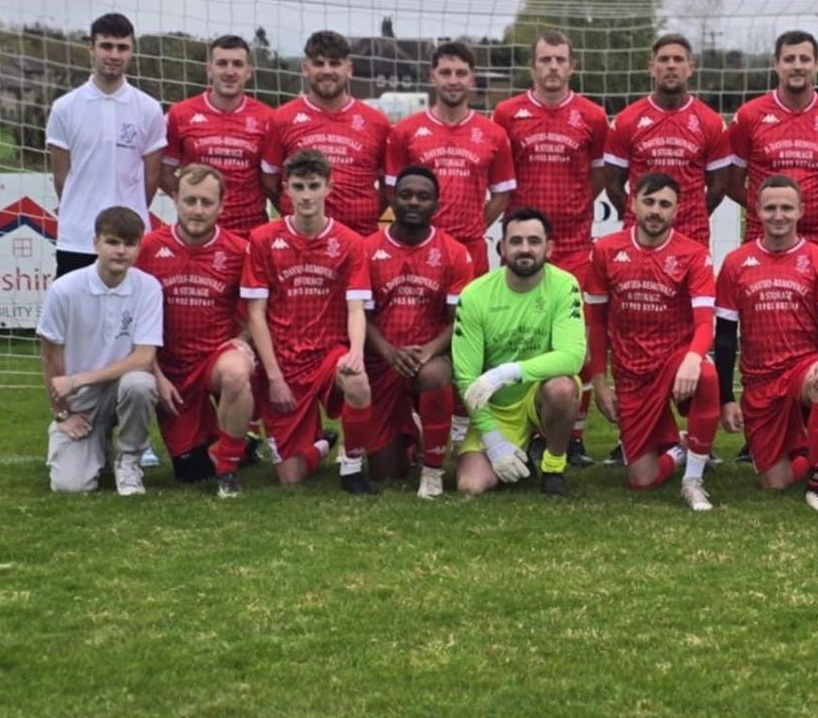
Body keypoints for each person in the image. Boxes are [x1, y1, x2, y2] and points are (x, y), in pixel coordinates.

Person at [493, 31, 609, 465]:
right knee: (521, 337)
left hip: (575, 244)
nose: (553, 67)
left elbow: (596, 176)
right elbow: (503, 177)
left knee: (572, 343)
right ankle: (524, 426)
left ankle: (571, 435)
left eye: (561, 59)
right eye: (545, 60)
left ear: (572, 65)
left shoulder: (593, 116)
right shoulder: (507, 113)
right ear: (533, 66)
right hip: (521, 246)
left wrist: (573, 212)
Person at [241, 148, 377, 494]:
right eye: (298, 186)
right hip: (285, 361)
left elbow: (355, 307)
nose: (306, 195)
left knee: (358, 381)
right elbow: (255, 313)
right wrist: (273, 377)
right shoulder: (263, 239)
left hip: (328, 353)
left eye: (314, 185)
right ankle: (322, 444)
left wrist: (356, 352)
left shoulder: (349, 242)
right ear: (285, 188)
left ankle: (352, 467)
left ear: (329, 187)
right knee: (291, 477)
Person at [585, 173, 721, 511]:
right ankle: (680, 448)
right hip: (632, 373)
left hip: (675, 361)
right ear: (632, 203)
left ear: (677, 211)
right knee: (641, 480)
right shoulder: (605, 250)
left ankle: (693, 480)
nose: (655, 211)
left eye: (664, 204)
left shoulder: (693, 254)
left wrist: (693, 357)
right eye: (649, 202)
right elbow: (597, 323)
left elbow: (705, 321)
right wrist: (600, 382)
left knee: (706, 375)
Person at [715, 176, 818, 512]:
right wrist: (726, 399)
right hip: (760, 381)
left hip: (803, 367)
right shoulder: (735, 263)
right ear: (756, 211)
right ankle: (806, 451)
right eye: (771, 207)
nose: (779, 215)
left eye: (787, 208)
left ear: (800, 211)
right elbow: (726, 336)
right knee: (775, 483)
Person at [140, 164, 258, 497]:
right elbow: (131, 320)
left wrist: (243, 340)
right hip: (171, 369)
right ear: (174, 199)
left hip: (215, 359)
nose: (197, 210)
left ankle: (229, 469)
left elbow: (257, 309)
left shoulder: (239, 250)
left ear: (222, 206)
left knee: (236, 372)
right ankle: (242, 443)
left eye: (207, 202)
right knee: (190, 471)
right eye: (190, 200)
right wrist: (156, 374)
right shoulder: (149, 249)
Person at [451, 208, 586, 498]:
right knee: (470, 485)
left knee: (562, 388)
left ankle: (553, 467)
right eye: (516, 241)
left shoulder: (565, 285)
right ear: (502, 248)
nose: (525, 249)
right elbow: (466, 378)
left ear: (549, 248)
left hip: (540, 392)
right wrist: (493, 440)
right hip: (498, 406)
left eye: (534, 241)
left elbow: (572, 357)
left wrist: (507, 373)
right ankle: (514, 449)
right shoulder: (475, 295)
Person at [364, 166, 473, 498]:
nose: (413, 202)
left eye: (423, 197)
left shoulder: (454, 252)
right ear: (392, 200)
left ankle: (432, 469)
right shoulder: (366, 249)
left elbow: (459, 320)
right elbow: (359, 316)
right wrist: (388, 352)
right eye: (406, 195)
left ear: (436, 204)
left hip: (428, 357)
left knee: (437, 374)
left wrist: (428, 350)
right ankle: (414, 433)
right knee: (387, 474)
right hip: (382, 361)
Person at [37, 206, 162, 495]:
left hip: (119, 387)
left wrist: (79, 379)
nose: (121, 251)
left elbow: (144, 358)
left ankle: (129, 461)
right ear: (95, 243)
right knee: (69, 486)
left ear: (139, 247)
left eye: (129, 244)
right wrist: (62, 414)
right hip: (81, 400)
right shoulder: (64, 289)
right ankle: (99, 447)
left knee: (140, 384)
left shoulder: (149, 288)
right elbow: (50, 357)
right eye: (112, 242)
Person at [46, 12, 166, 277]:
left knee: (128, 316)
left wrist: (129, 217)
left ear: (132, 51)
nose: (114, 54)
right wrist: (80, 208)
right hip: (78, 237)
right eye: (106, 46)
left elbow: (152, 177)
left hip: (130, 239)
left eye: (122, 47)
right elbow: (61, 179)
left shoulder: (149, 109)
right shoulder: (65, 108)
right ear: (91, 48)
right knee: (77, 317)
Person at [383, 41, 515, 275]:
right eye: (445, 73)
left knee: (470, 312)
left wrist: (475, 225)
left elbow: (502, 195)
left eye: (461, 73)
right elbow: (392, 190)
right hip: (419, 247)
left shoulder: (493, 134)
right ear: (432, 76)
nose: (453, 81)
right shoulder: (405, 131)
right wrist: (418, 226)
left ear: (472, 79)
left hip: (471, 249)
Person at [726, 30, 818, 255]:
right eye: (789, 59)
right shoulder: (750, 115)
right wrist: (768, 212)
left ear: (817, 65)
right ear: (775, 64)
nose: (797, 66)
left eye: (805, 59)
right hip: (763, 234)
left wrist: (815, 211)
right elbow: (731, 182)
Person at [603, 34, 731, 247]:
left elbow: (718, 187)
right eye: (664, 60)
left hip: (692, 237)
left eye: (678, 60)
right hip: (641, 238)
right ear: (652, 67)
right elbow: (613, 186)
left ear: (690, 68)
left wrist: (690, 216)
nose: (671, 66)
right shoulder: (626, 120)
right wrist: (641, 216)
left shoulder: (711, 122)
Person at [261, 30, 390, 236]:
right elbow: (270, 183)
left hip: (359, 236)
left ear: (349, 69)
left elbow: (388, 186)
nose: (327, 70)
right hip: (301, 238)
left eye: (335, 63)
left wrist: (363, 213)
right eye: (319, 63)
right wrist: (294, 208)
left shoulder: (376, 122)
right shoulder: (282, 118)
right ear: (306, 68)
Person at [162, 34, 275, 238]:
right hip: (198, 234)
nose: (230, 72)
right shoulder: (181, 114)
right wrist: (193, 204)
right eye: (222, 64)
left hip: (249, 233)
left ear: (249, 72)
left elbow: (271, 179)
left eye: (238, 64)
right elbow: (164, 172)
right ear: (209, 69)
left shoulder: (267, 118)